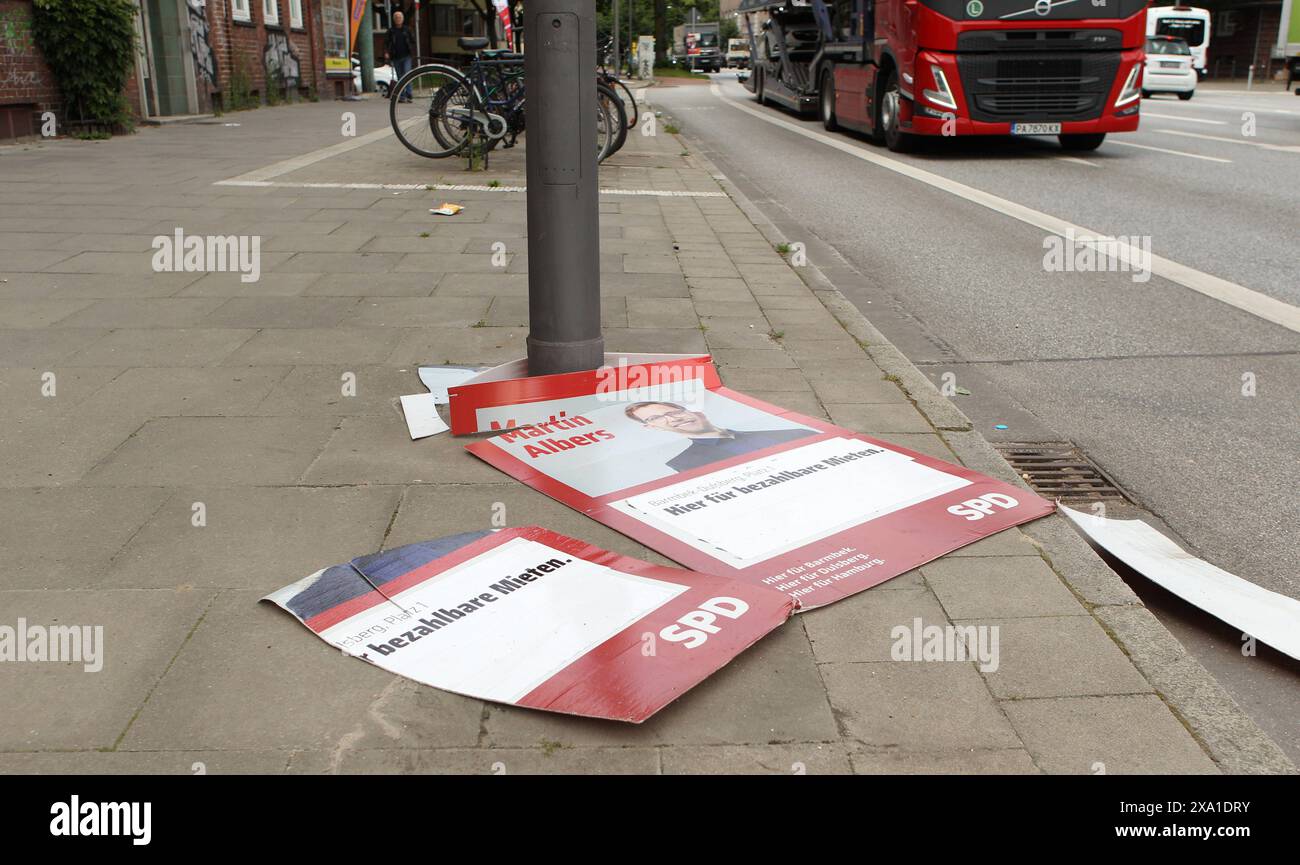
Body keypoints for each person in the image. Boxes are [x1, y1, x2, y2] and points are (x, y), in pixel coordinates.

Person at [624, 400, 815, 474]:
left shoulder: (793, 432)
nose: (672, 419)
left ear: (693, 411)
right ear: (652, 427)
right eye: (656, 418)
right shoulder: (685, 464)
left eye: (674, 412)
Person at [387, 9, 414, 102]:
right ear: (394, 19)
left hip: (406, 56)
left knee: (407, 74)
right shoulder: (391, 31)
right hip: (396, 57)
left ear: (402, 19)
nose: (398, 19)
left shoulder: (407, 30)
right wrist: (387, 52)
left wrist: (411, 48)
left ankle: (409, 94)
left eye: (400, 17)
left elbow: (412, 40)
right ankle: (402, 96)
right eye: (396, 18)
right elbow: (387, 42)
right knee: (400, 77)